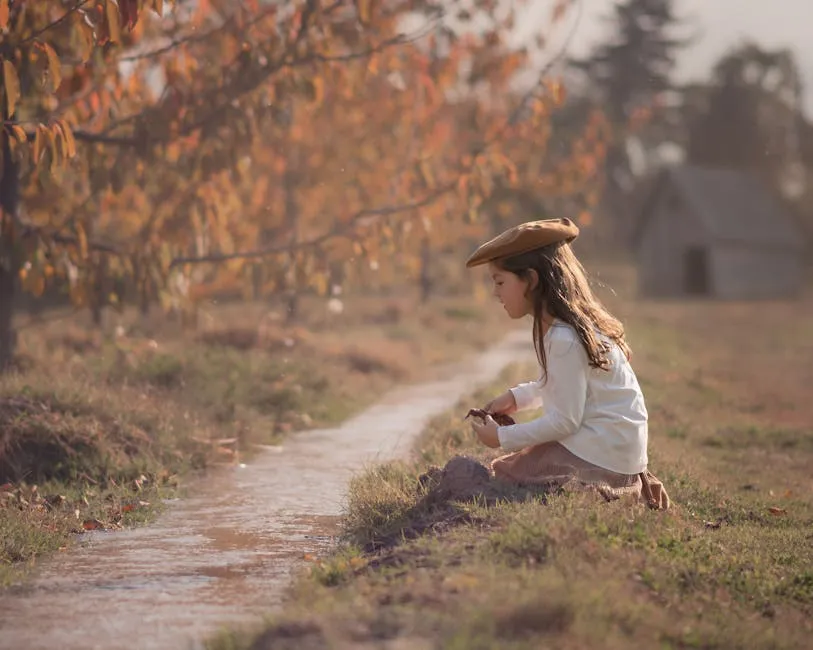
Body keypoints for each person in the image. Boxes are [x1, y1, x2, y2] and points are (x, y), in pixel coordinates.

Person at [465, 218, 669, 510]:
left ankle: (601, 487)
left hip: (601, 455)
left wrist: (502, 436)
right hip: (615, 451)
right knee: (515, 466)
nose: (496, 292)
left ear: (532, 280)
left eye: (500, 282)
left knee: (503, 474)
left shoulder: (563, 338)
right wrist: (516, 398)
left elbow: (565, 421)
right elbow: (566, 384)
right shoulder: (574, 329)